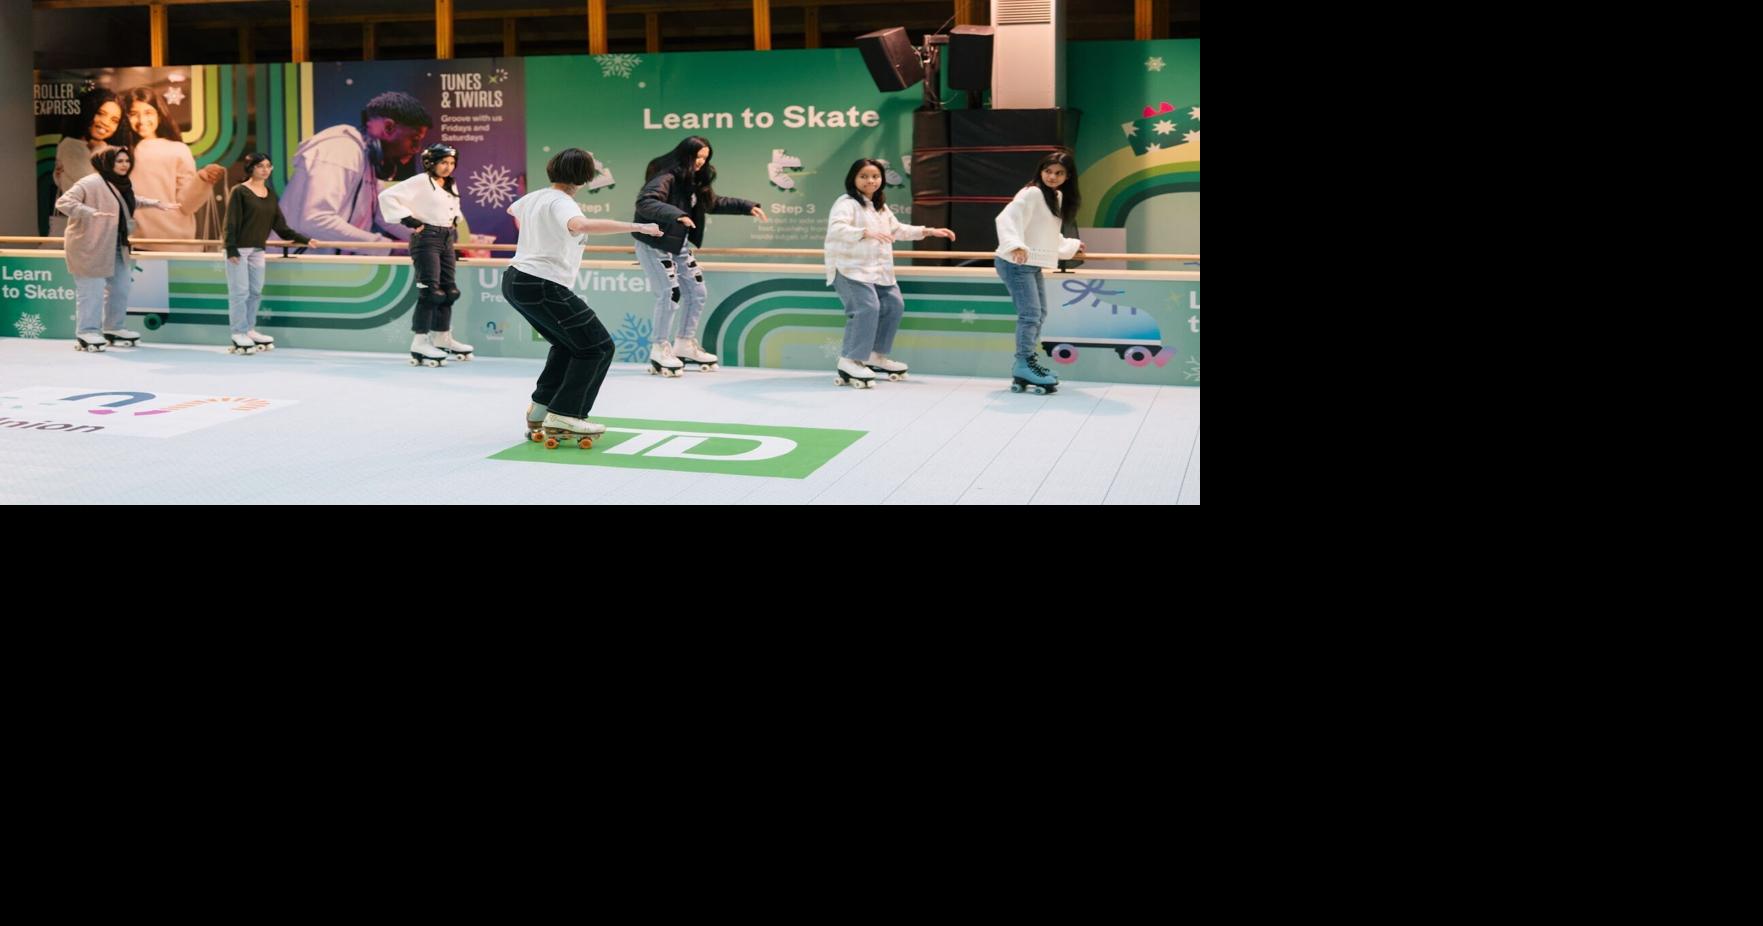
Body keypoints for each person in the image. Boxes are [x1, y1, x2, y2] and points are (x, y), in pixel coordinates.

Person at [503, 148, 661, 446]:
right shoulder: (562, 203)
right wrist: (638, 227)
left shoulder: (535, 197)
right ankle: (566, 413)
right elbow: (580, 225)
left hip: (517, 278)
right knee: (598, 346)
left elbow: (514, 210)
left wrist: (540, 238)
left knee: (567, 345)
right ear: (586, 176)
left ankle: (541, 408)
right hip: (541, 283)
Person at [630, 135, 767, 376]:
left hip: (677, 243)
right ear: (685, 155)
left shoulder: (692, 180)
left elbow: (712, 203)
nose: (702, 162)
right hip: (655, 243)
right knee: (669, 293)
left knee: (696, 292)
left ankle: (684, 343)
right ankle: (659, 347)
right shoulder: (667, 176)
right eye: (698, 157)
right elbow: (646, 202)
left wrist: (746, 206)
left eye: (705, 158)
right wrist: (676, 214)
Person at [823, 157, 955, 388]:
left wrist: (930, 231)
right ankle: (849, 359)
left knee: (894, 305)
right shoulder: (846, 203)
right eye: (864, 176)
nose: (870, 181)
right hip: (850, 268)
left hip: (878, 268)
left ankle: (875, 356)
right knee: (866, 308)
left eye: (875, 176)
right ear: (853, 179)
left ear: (882, 179)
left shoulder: (879, 206)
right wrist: (865, 232)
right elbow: (837, 229)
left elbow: (897, 229)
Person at [56, 147, 179, 351]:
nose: (124, 165)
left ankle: (114, 327)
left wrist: (156, 204)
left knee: (121, 288)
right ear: (107, 162)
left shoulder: (121, 184)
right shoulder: (91, 182)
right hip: (90, 246)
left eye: (127, 161)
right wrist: (89, 212)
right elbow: (64, 202)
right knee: (91, 291)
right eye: (119, 161)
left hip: (115, 245)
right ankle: (87, 332)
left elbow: (127, 202)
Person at [280, 90, 431, 254]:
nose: (416, 149)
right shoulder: (341, 149)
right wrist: (389, 249)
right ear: (388, 127)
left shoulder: (367, 160)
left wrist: (429, 237)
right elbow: (315, 220)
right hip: (294, 270)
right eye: (414, 140)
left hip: (317, 270)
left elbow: (386, 215)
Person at [994, 150, 1084, 395]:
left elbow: (1047, 234)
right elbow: (1006, 219)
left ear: (1068, 177)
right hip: (1015, 261)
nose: (1052, 177)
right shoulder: (1031, 192)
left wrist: (1071, 246)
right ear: (1040, 171)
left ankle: (1028, 361)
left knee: (1039, 312)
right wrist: (1015, 245)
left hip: (1031, 262)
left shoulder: (1056, 196)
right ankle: (1023, 363)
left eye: (1059, 173)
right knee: (1030, 315)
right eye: (1048, 171)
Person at [378, 142, 469, 364]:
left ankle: (442, 337)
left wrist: (456, 220)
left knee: (449, 290)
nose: (448, 167)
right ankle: (420, 342)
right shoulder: (420, 181)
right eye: (443, 163)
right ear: (431, 163)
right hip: (427, 238)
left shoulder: (450, 184)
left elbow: (453, 208)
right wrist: (409, 220)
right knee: (430, 291)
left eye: (451, 163)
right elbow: (386, 197)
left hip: (447, 237)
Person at [118, 85, 227, 251]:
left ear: (159, 115)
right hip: (135, 245)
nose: (141, 120)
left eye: (148, 112)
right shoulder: (119, 152)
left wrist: (203, 179)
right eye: (133, 114)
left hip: (176, 245)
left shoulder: (177, 149)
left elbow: (187, 205)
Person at [222, 152, 311, 354]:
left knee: (255, 292)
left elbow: (280, 227)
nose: (265, 169)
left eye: (268, 166)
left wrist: (305, 239)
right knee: (240, 292)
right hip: (239, 250)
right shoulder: (240, 191)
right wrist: (230, 248)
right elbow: (230, 222)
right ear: (251, 168)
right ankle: (238, 332)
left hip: (257, 250)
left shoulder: (269, 194)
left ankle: (249, 329)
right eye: (260, 166)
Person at [49, 88, 122, 241]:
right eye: (100, 113)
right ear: (88, 112)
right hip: (80, 231)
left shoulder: (96, 147)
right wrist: (101, 148)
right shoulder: (72, 146)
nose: (106, 123)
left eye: (114, 120)